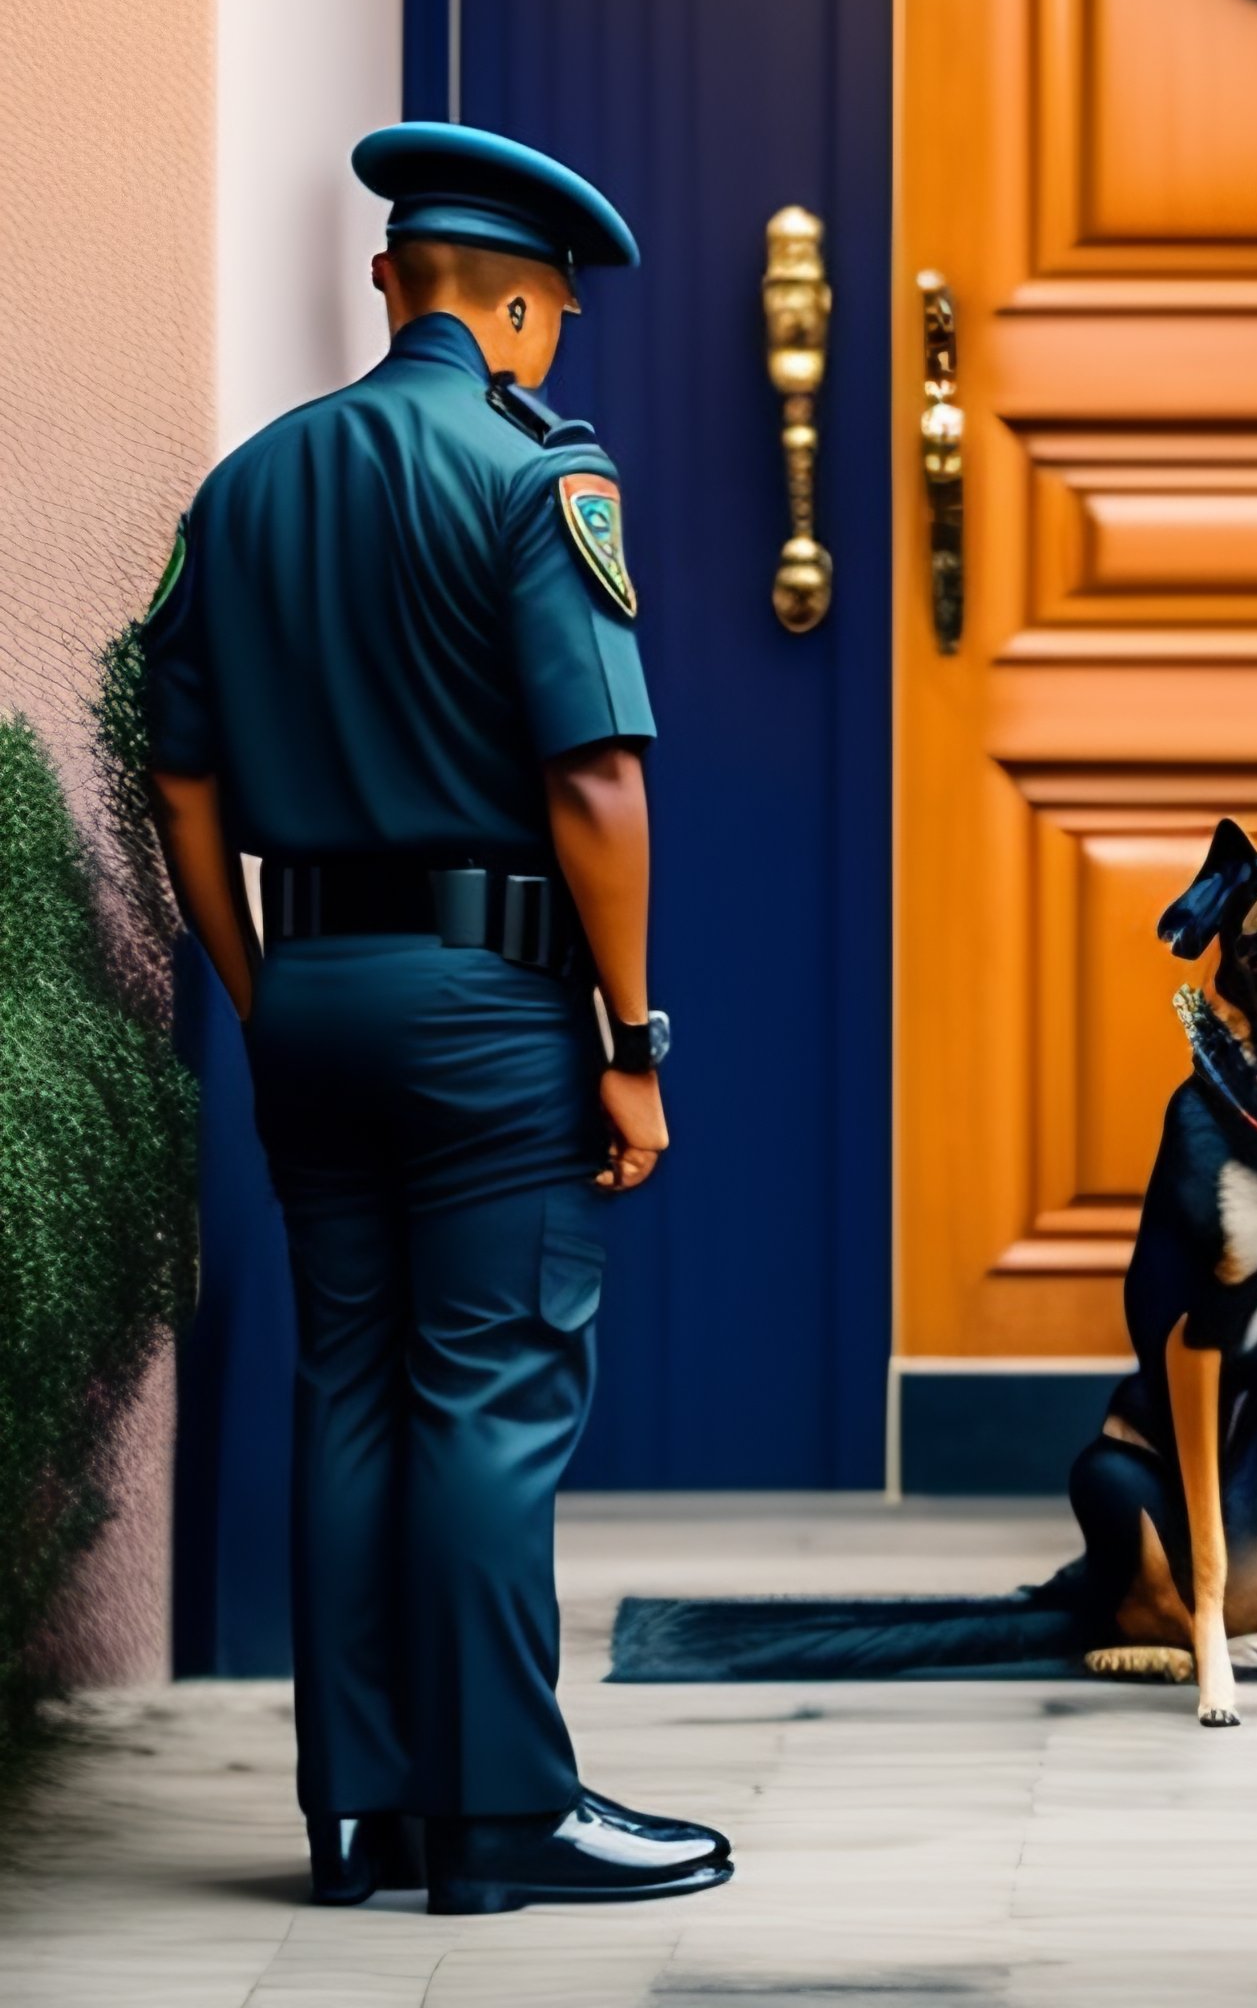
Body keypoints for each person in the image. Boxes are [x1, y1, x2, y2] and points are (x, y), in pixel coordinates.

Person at [142, 122, 731, 1917]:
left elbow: (182, 784)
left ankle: (359, 1813)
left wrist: (261, 987)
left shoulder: (244, 488)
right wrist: (632, 1046)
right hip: (487, 1008)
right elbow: (598, 784)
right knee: (486, 1394)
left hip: (311, 993)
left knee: (350, 1386)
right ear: (529, 315)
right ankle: (495, 1821)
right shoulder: (540, 476)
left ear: (392, 284)